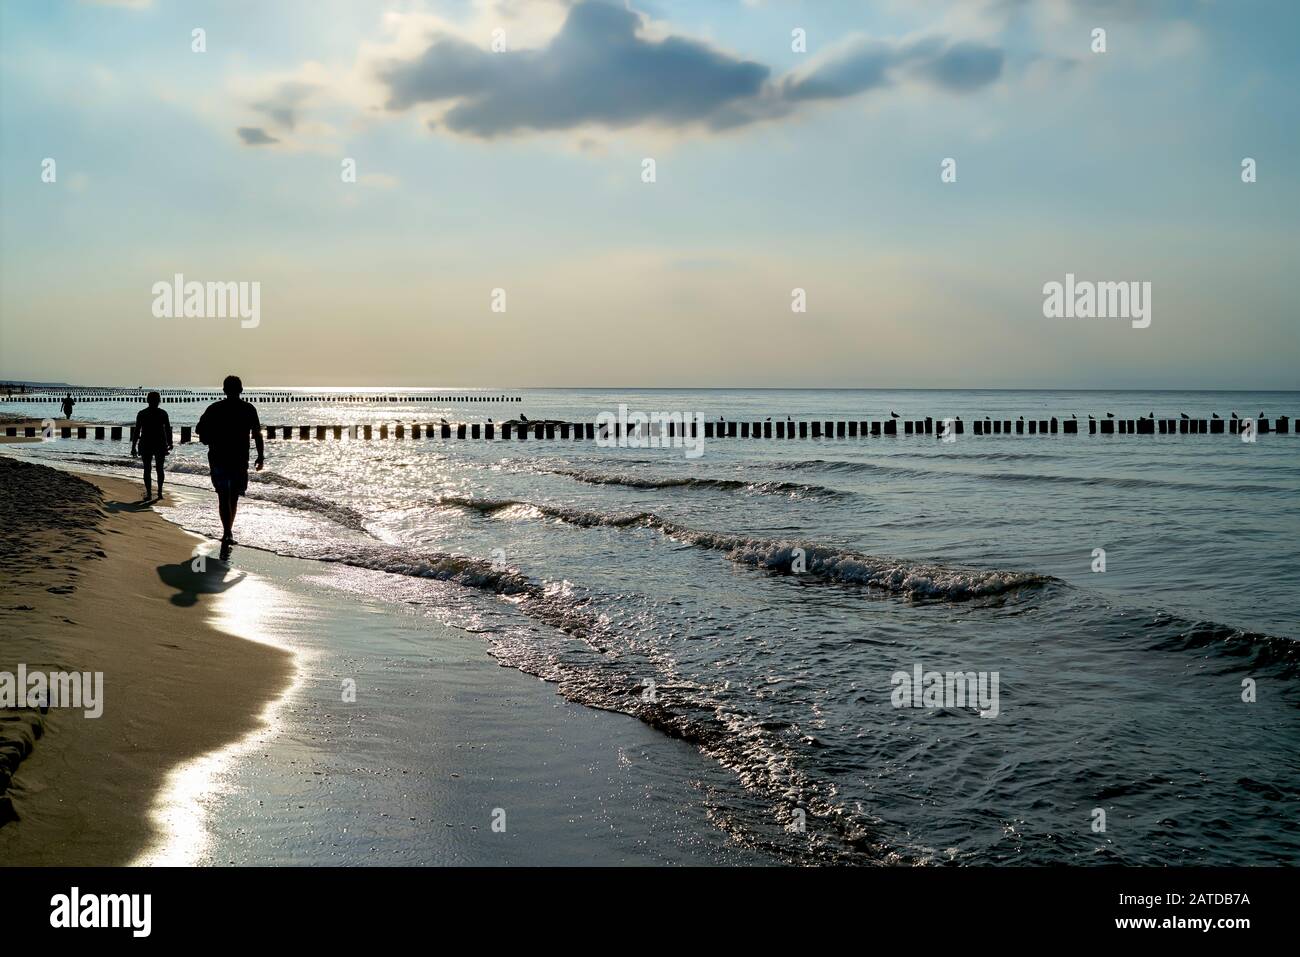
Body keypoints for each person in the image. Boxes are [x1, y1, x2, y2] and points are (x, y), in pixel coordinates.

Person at [196, 375, 263, 548]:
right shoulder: (248, 409)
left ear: (224, 390)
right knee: (233, 497)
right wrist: (261, 456)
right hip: (239, 458)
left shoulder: (215, 408)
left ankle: (227, 531)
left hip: (218, 457)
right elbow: (257, 434)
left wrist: (208, 439)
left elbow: (199, 430)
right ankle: (228, 531)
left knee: (223, 496)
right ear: (241, 390)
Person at [130, 391, 173, 500]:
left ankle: (149, 493)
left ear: (147, 400)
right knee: (160, 468)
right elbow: (168, 429)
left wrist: (133, 446)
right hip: (160, 443)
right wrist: (170, 442)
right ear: (159, 401)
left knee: (147, 469)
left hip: (146, 443)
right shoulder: (163, 413)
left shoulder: (142, 413)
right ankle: (159, 492)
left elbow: (137, 431)